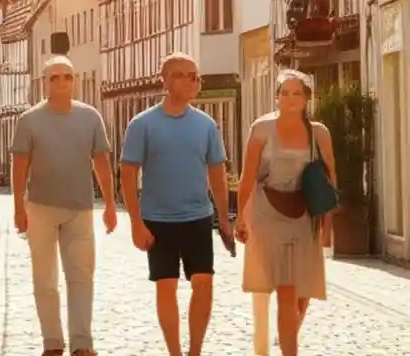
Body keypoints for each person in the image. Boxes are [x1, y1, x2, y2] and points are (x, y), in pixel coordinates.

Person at [119, 53, 231, 356]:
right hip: (158, 220)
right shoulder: (142, 124)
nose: (192, 81)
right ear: (166, 81)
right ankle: (175, 353)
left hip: (197, 217)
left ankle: (195, 350)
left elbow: (217, 173)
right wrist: (135, 222)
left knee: (204, 283)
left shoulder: (206, 125)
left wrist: (224, 218)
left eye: (195, 76)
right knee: (166, 285)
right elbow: (128, 174)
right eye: (183, 75)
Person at [11, 56, 117, 356]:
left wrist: (110, 204)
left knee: (81, 276)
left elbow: (102, 163)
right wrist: (18, 206)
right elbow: (20, 165)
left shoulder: (90, 117)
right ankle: (52, 342)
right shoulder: (29, 120)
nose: (61, 83)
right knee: (45, 279)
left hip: (79, 210)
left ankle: (82, 342)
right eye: (54, 78)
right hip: (40, 209)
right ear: (44, 82)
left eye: (67, 77)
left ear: (75, 81)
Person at [235, 69, 335, 356]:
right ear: (276, 97)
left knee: (303, 293)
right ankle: (289, 348)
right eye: (284, 93)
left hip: (304, 214)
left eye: (296, 93)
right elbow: (247, 176)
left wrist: (327, 224)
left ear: (306, 99)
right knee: (287, 290)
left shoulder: (319, 133)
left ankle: (287, 331)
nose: (290, 99)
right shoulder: (262, 128)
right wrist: (241, 216)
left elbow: (331, 178)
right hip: (269, 214)